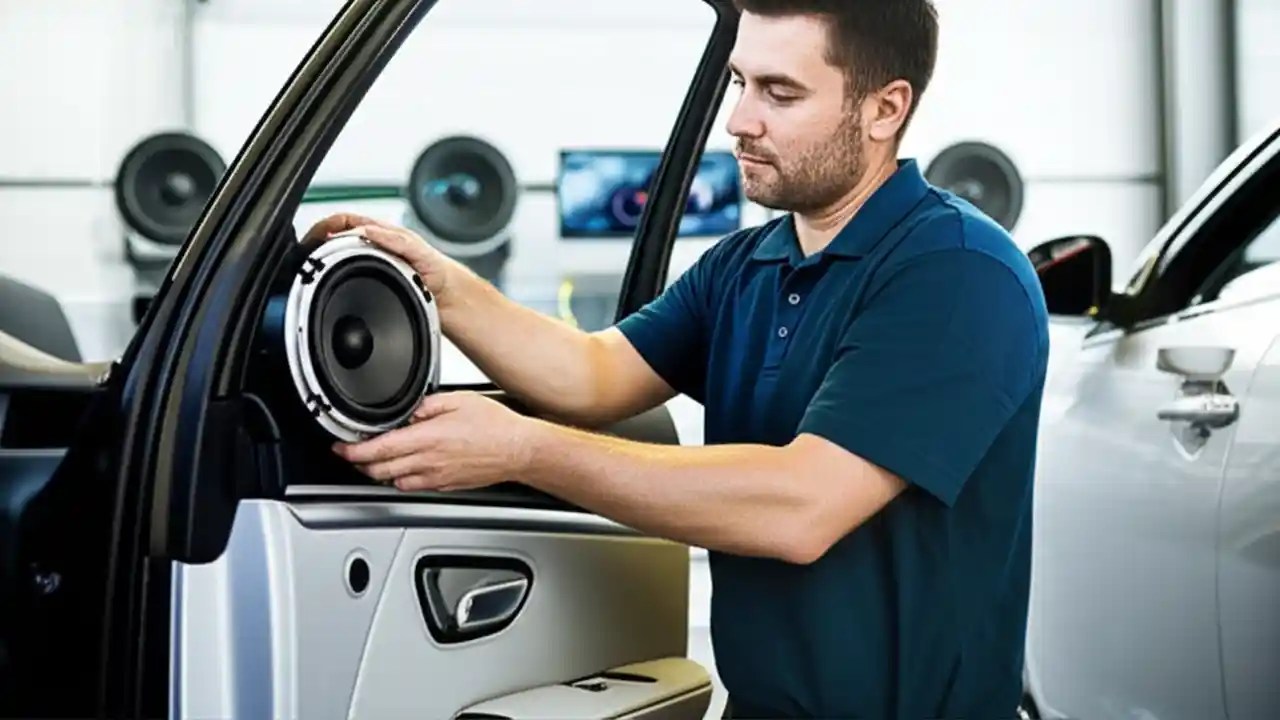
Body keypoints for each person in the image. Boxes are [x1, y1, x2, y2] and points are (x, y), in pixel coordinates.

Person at [306, 0, 1049, 717]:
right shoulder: (745, 265)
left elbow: (803, 505)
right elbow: (593, 373)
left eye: (780, 94)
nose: (739, 122)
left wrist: (520, 450)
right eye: (740, 82)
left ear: (884, 109)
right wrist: (443, 286)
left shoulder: (957, 272)